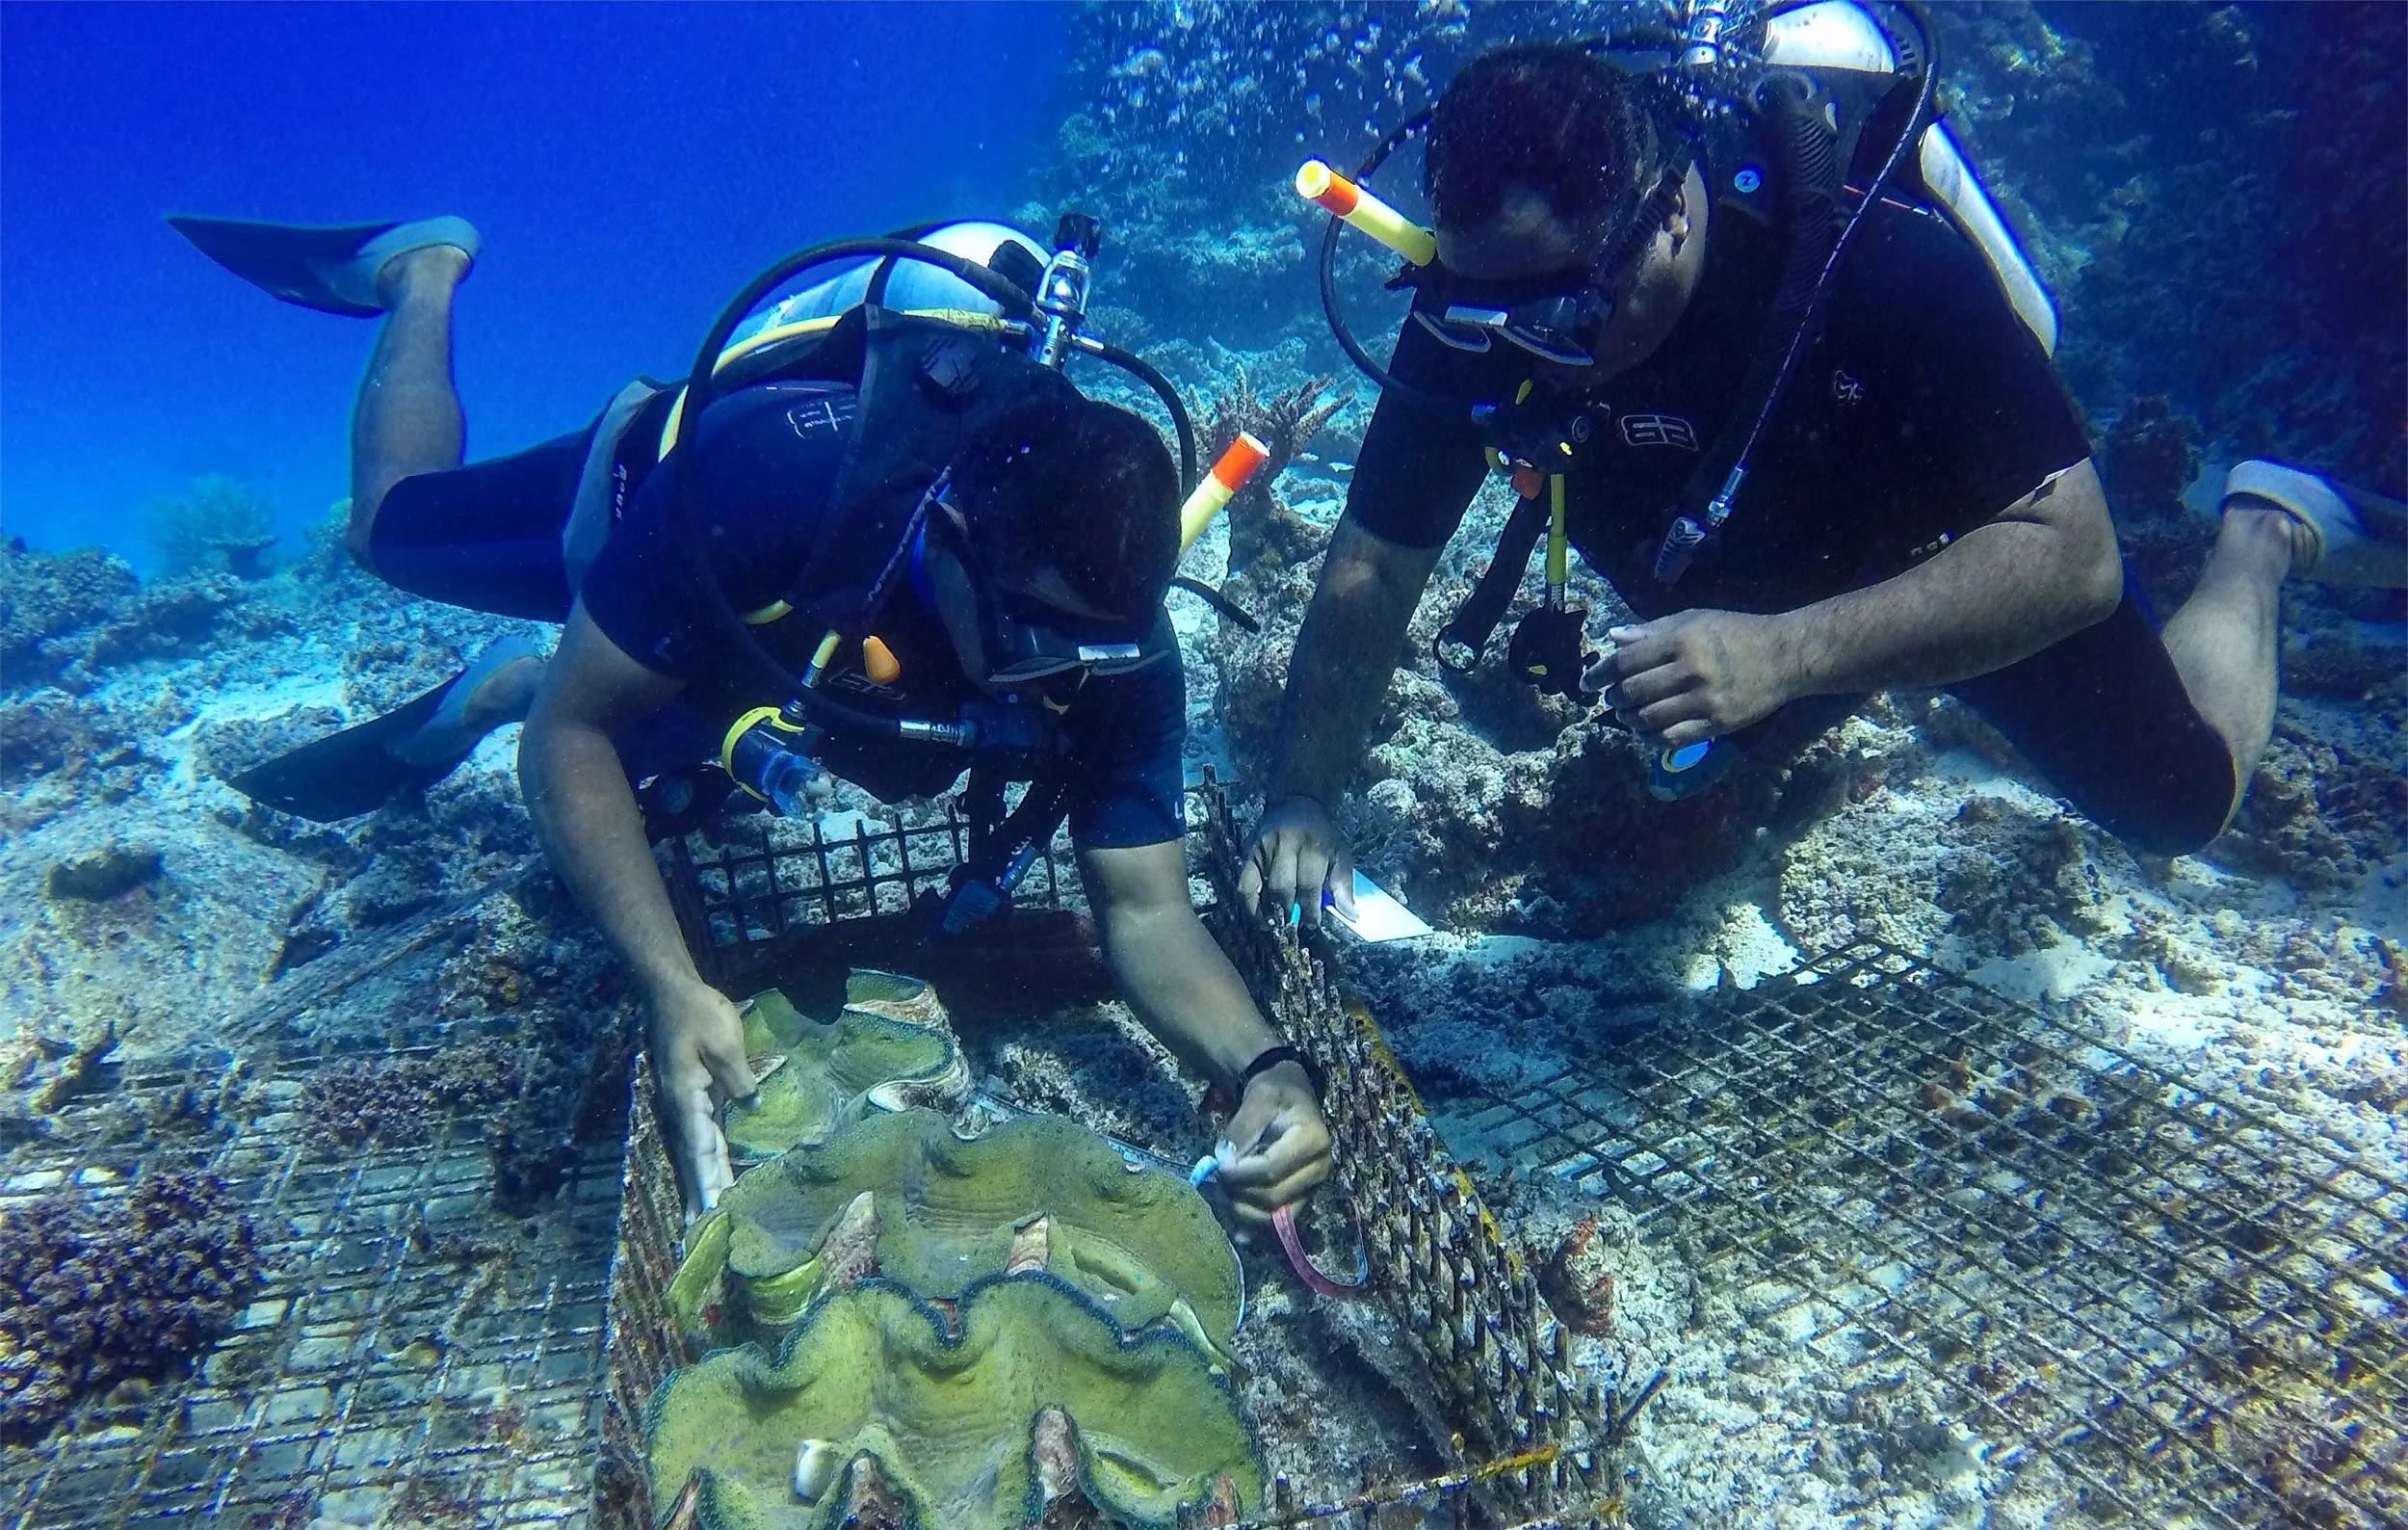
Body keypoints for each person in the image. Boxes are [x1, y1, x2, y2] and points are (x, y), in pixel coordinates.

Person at [170, 211, 1332, 1219]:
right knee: (390, 535)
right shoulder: (769, 482)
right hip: (642, 527)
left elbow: (1143, 909)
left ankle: (546, 679)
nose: (1056, 682)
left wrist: (1265, 1066)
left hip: (786, 673)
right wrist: (674, 987)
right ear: (953, 539)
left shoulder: (1115, 637)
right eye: (1031, 642)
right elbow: (568, 744)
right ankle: (420, 270)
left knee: (687, 776)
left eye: (1093, 652)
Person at [1242, 42, 2407, 923]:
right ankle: (1784, 700)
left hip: (1943, 554)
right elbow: (1372, 565)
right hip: (1735, 568)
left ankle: (2264, 528)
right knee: (1663, 792)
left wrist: (1782, 659)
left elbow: (2077, 556)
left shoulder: (1877, 260)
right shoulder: (1485, 309)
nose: (1519, 350)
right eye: (1483, 310)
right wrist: (1301, 794)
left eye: (1556, 315)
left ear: (1660, 220)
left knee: (2179, 805)